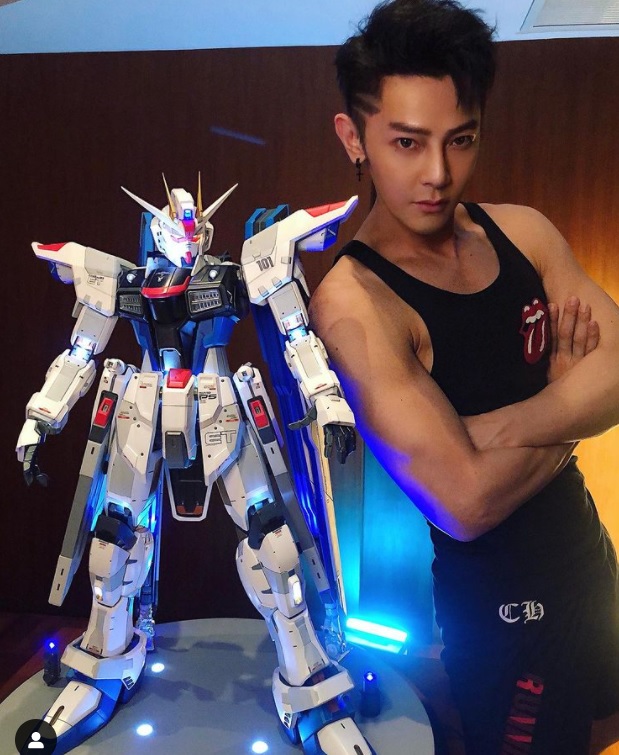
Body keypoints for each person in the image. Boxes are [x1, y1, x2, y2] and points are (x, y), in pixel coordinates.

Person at [309, 0, 619, 752]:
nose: (438, 174)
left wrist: (497, 428)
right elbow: (466, 503)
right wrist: (572, 400)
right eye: (407, 143)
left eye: (461, 140)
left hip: (587, 554)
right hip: (499, 609)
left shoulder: (524, 231)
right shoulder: (354, 302)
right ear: (353, 138)